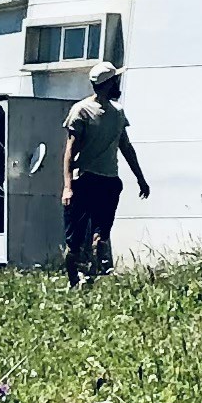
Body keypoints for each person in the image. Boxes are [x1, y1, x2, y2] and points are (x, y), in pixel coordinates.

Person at [61, 66, 149, 286]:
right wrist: (68, 187)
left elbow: (125, 146)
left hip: (108, 181)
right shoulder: (82, 111)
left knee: (100, 235)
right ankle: (75, 279)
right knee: (75, 240)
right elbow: (70, 151)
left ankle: (91, 276)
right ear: (109, 84)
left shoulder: (117, 112)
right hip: (85, 179)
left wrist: (140, 178)